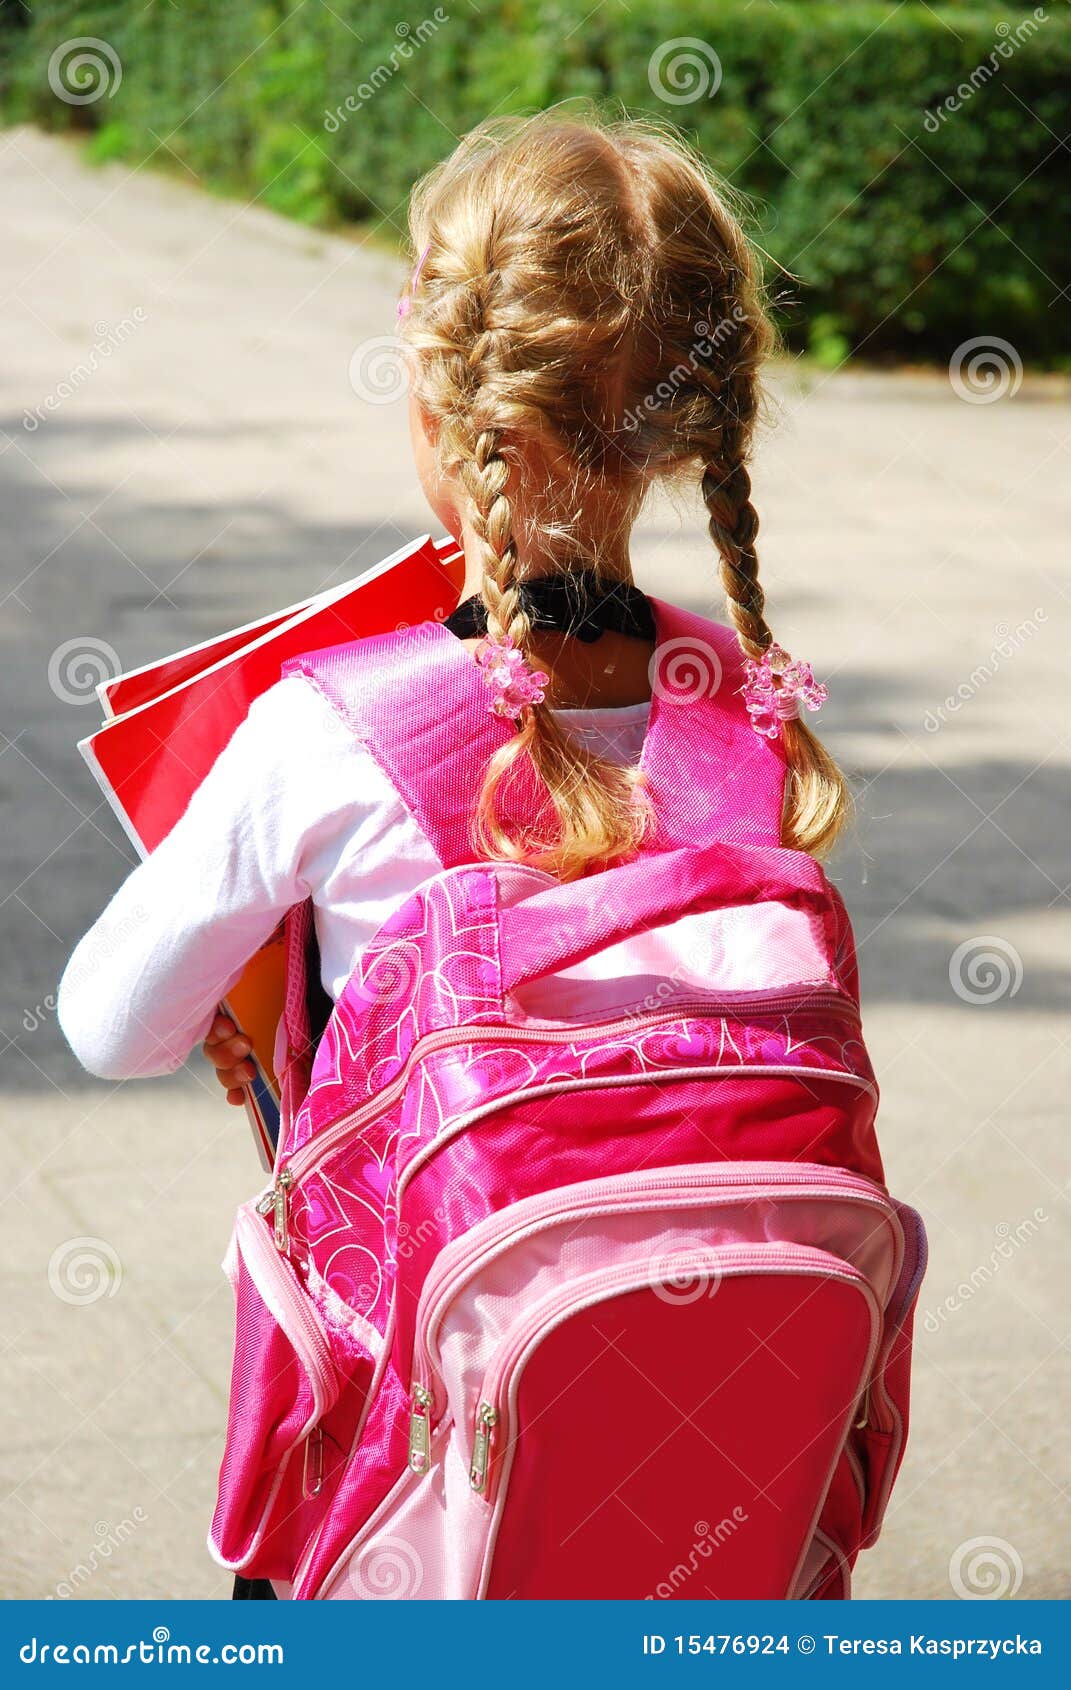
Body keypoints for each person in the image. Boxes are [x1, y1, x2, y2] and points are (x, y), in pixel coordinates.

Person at [58, 111, 849, 1595]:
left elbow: (106, 1026)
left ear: (440, 403)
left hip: (419, 1508)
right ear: (687, 424)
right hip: (728, 1523)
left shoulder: (335, 729)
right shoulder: (751, 718)